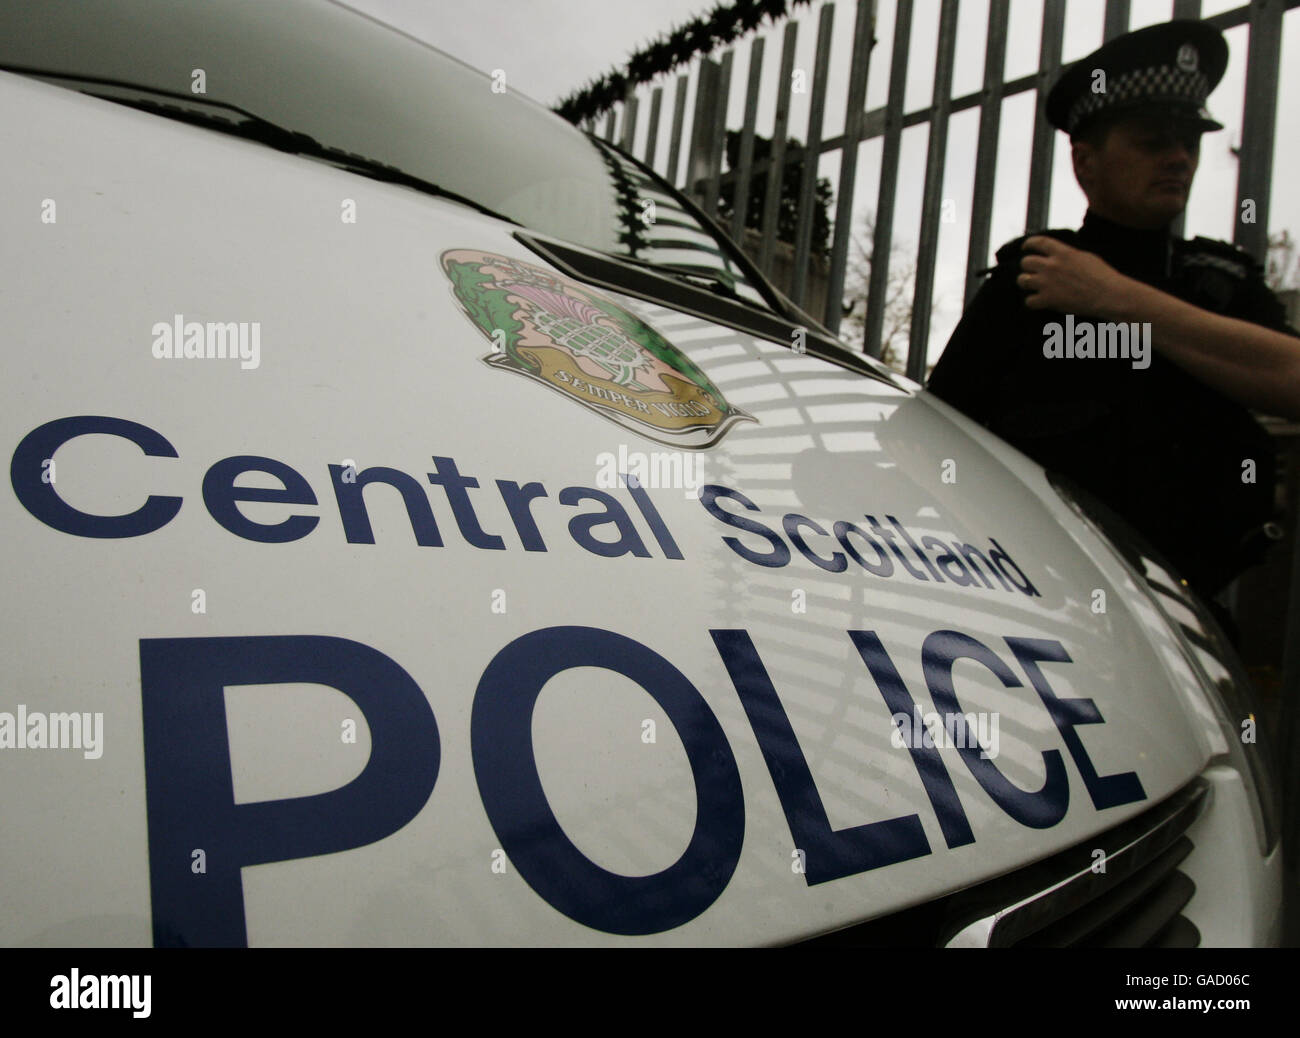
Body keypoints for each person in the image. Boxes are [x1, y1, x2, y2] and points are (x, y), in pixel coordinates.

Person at [927, 19, 1300, 598]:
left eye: (1189, 141)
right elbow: (935, 441)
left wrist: (1112, 297)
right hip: (1040, 603)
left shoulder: (1219, 284)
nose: (1179, 158)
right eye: (1153, 140)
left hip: (1189, 616)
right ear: (1085, 162)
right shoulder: (1032, 279)